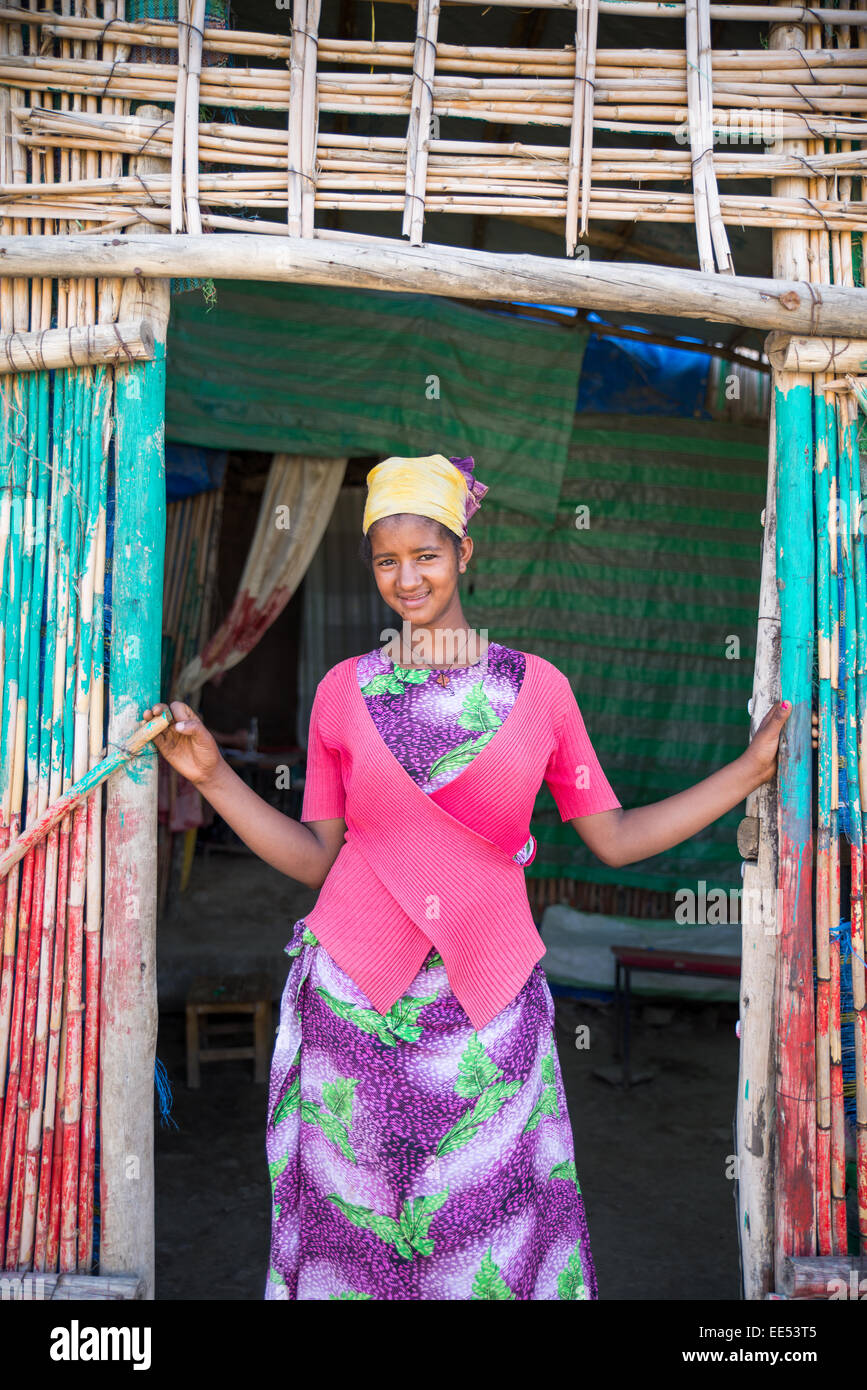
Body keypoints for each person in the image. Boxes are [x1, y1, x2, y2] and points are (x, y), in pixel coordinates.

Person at [145, 451, 791, 1301]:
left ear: (463, 555)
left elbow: (617, 837)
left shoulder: (540, 692)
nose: (405, 578)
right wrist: (209, 777)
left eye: (425, 555)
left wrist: (744, 775)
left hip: (487, 1010)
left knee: (483, 1238)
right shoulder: (344, 691)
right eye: (385, 560)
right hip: (352, 1002)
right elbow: (314, 856)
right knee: (356, 1236)